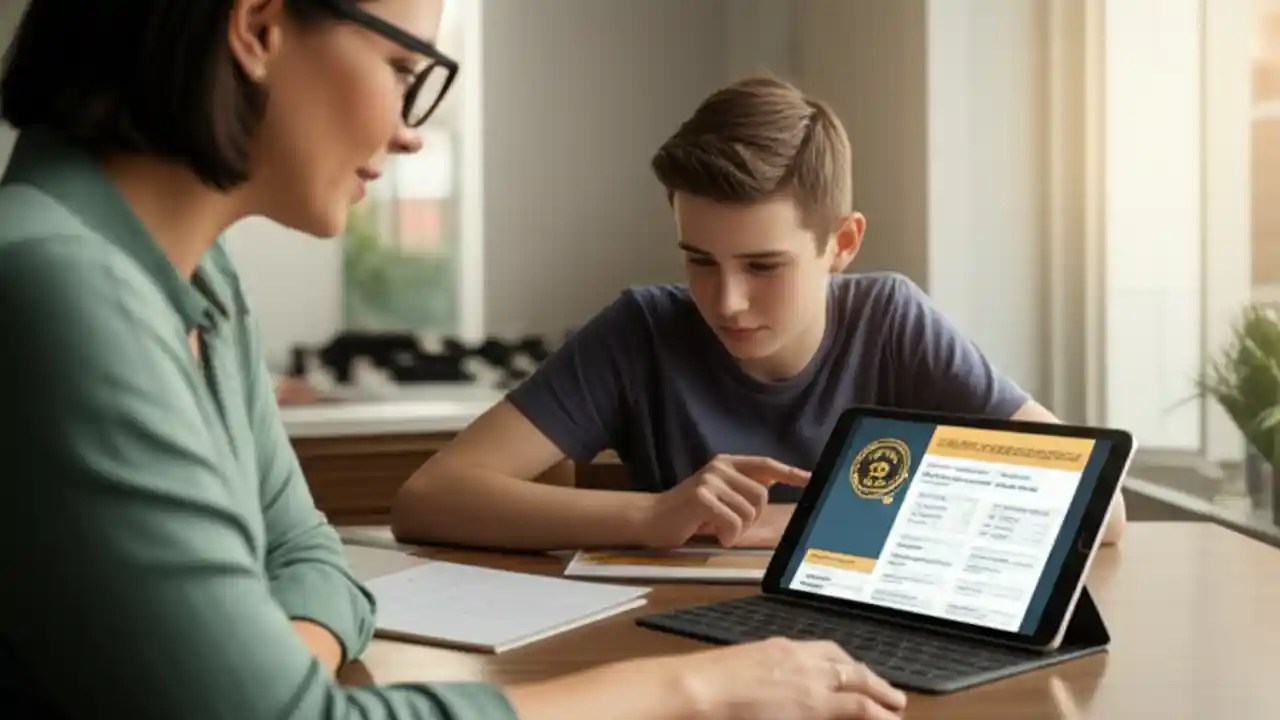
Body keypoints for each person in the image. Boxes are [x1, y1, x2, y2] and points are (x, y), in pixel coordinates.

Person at [0, 1, 907, 719]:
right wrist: (693, 689)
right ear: (260, 28)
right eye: (403, 70)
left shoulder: (199, 280)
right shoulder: (57, 288)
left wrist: (279, 668)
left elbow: (309, 551)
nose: (409, 132)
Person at [391, 76, 1128, 552]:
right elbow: (429, 499)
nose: (727, 301)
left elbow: (1103, 507)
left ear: (842, 244)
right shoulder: (641, 331)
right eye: (699, 260)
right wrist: (653, 516)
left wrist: (787, 523)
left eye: (764, 266)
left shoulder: (892, 323)